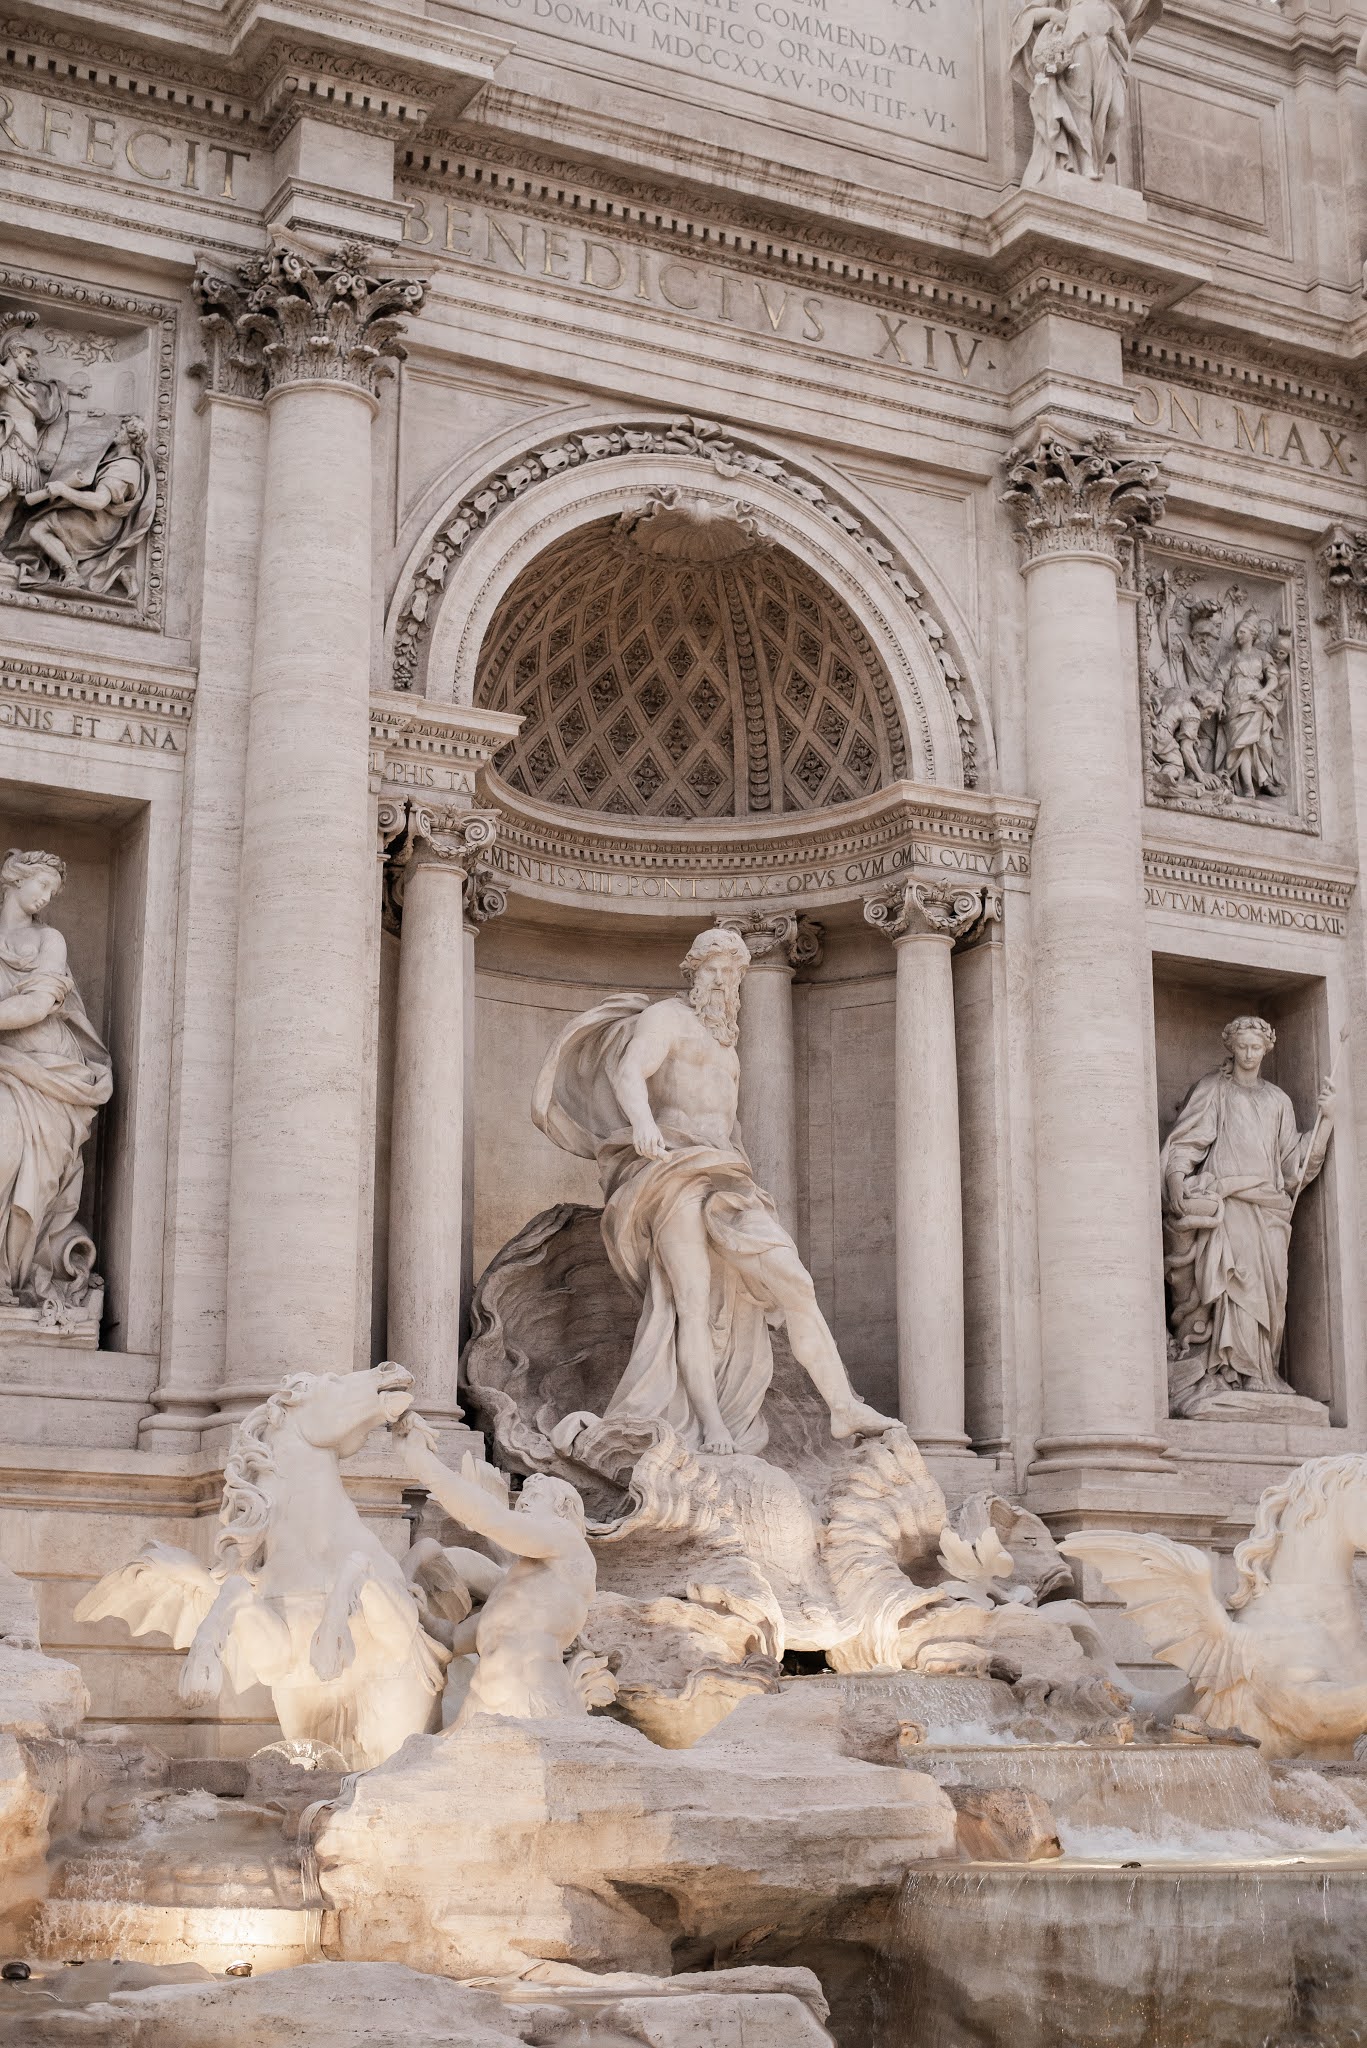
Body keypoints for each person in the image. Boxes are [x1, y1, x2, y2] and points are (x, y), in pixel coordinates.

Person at [532, 924, 895, 1456]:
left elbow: (728, 1121)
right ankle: (710, 1426)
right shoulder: (666, 1018)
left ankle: (842, 1406)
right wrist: (643, 1124)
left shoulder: (728, 1042)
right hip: (671, 1167)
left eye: (732, 972)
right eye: (714, 969)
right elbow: (630, 1072)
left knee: (795, 1282)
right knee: (692, 1303)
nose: (724, 980)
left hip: (727, 1174)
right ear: (694, 971)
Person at [1161, 1016, 1334, 1416]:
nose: (1249, 1054)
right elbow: (1187, 1140)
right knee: (1236, 1284)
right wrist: (1175, 1176)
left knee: (1270, 1292)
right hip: (1231, 1204)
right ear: (1231, 1047)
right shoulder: (1214, 1089)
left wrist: (1326, 1122)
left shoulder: (1278, 1101)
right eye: (1242, 1047)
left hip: (1269, 1208)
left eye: (1256, 1047)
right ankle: (1228, 1371)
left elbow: (1293, 1164)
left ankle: (1263, 1370)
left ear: (1266, 1049)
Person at [396, 1420, 598, 1726]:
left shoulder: (567, 1538)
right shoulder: (518, 1584)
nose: (524, 1501)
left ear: (564, 1507)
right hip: (481, 1707)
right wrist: (424, 1614)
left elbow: (494, 1520)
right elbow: (456, 1640)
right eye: (523, 1496)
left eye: (535, 1496)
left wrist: (422, 1462)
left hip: (533, 1701)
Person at [0, 850, 112, 1317]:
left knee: (16, 1158)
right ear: (14, 879)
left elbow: (36, 1005)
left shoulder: (50, 940)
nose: (46, 897)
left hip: (50, 1074)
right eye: (41, 885)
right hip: (6, 1065)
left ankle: (12, 1275)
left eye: (53, 891)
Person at [1011, 0, 1162, 185]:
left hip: (1109, 41)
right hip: (1079, 36)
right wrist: (1052, 15)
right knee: (1081, 105)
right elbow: (1029, 14)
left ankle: (1096, 163)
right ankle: (1086, 165)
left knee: (1115, 114)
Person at [14, 415, 154, 596]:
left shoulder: (124, 468)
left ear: (129, 437)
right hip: (96, 519)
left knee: (39, 529)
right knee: (39, 529)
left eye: (121, 429)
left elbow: (99, 501)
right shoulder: (117, 459)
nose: (116, 430)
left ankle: (72, 573)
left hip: (99, 523)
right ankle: (116, 574)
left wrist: (64, 490)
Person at [1216, 615, 1285, 799]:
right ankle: (1248, 786)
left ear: (1253, 634)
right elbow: (1220, 680)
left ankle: (1265, 779)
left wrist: (1263, 692)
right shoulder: (1231, 656)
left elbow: (1273, 679)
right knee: (1242, 744)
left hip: (1256, 700)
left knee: (1263, 743)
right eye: (1237, 632)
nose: (1238, 635)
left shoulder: (1263, 656)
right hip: (1234, 701)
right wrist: (1219, 700)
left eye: (1242, 632)